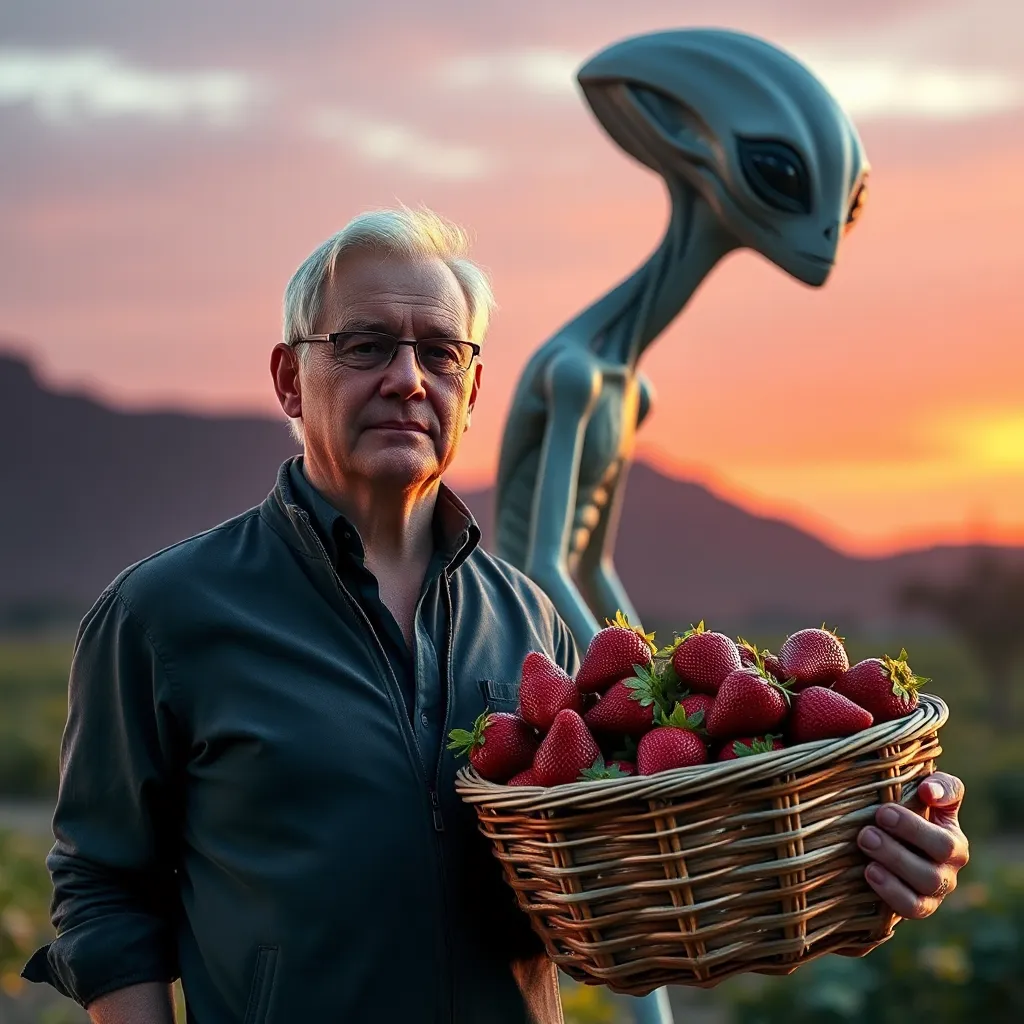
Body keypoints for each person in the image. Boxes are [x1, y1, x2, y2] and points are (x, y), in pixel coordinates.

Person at [22, 207, 970, 1024]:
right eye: (364, 346)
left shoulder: (537, 627)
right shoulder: (163, 614)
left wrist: (866, 848)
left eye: (439, 352)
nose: (406, 378)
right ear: (286, 378)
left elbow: (621, 874)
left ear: (472, 391)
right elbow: (104, 887)